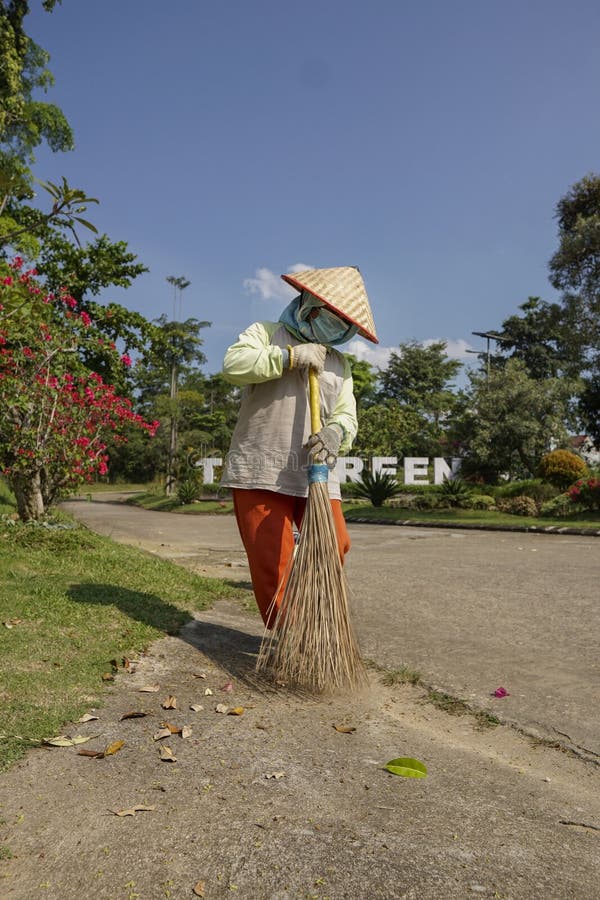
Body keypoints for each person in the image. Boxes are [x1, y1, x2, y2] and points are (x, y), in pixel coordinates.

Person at [221, 266, 378, 628]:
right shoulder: (265, 333)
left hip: (317, 473)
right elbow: (233, 365)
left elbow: (346, 415)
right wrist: (288, 358)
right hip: (261, 467)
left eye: (345, 320)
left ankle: (316, 619)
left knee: (335, 543)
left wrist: (337, 433)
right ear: (310, 305)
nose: (338, 324)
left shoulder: (340, 364)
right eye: (333, 314)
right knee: (273, 561)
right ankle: (295, 640)